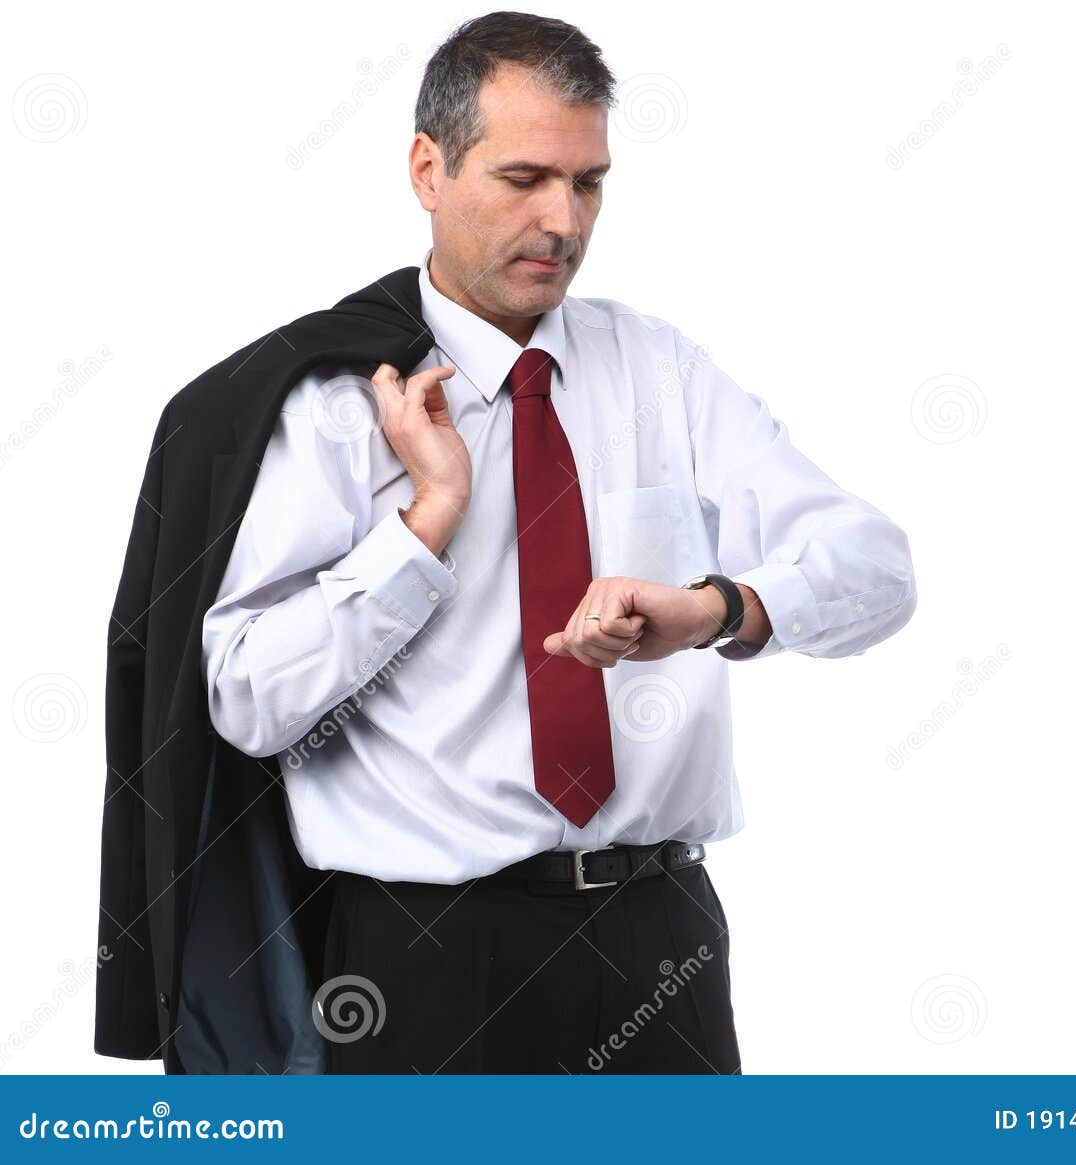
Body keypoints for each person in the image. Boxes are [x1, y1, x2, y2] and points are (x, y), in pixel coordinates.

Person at [183, 11, 915, 1073]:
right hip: (425, 959)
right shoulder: (334, 403)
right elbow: (249, 699)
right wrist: (425, 524)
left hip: (661, 938)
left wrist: (718, 608)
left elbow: (876, 566)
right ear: (428, 170)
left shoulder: (658, 370)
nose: (562, 221)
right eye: (524, 178)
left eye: (589, 183)